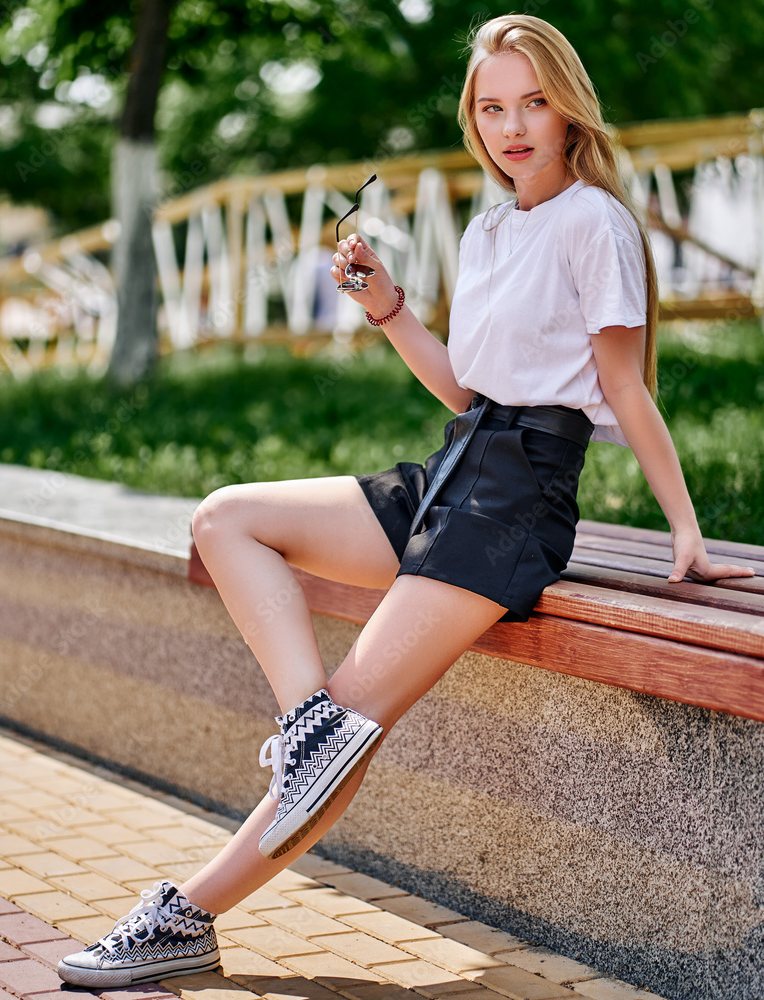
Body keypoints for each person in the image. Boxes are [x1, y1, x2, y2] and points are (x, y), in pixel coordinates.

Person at [57, 13, 755, 989]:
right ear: (473, 117)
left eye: (532, 102)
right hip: (452, 470)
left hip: (516, 505)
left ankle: (186, 913)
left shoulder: (592, 220)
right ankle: (304, 715)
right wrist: (386, 308)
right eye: (490, 105)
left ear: (567, 111)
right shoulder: (487, 225)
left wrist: (683, 529)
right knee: (225, 518)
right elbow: (471, 391)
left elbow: (625, 387)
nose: (512, 124)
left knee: (346, 739)